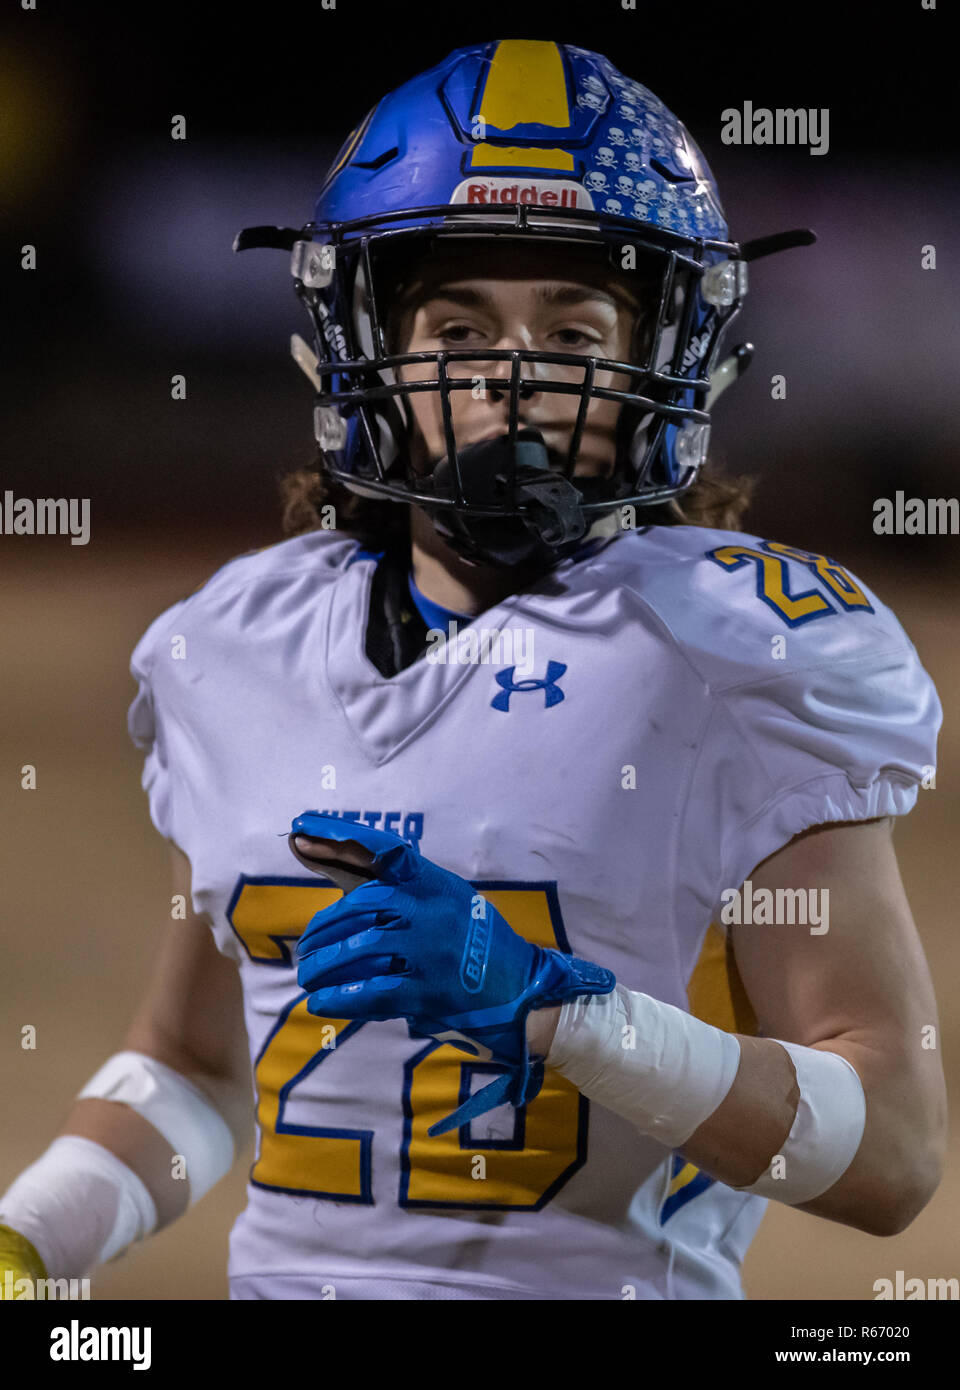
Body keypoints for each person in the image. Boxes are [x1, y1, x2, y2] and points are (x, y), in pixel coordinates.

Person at [0, 38, 946, 1302]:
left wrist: (559, 1011)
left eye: (573, 328)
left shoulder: (729, 654)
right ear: (364, 343)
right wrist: (30, 1244)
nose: (512, 378)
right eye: (458, 325)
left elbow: (892, 1151)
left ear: (661, 353)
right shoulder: (236, 641)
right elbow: (197, 1071)